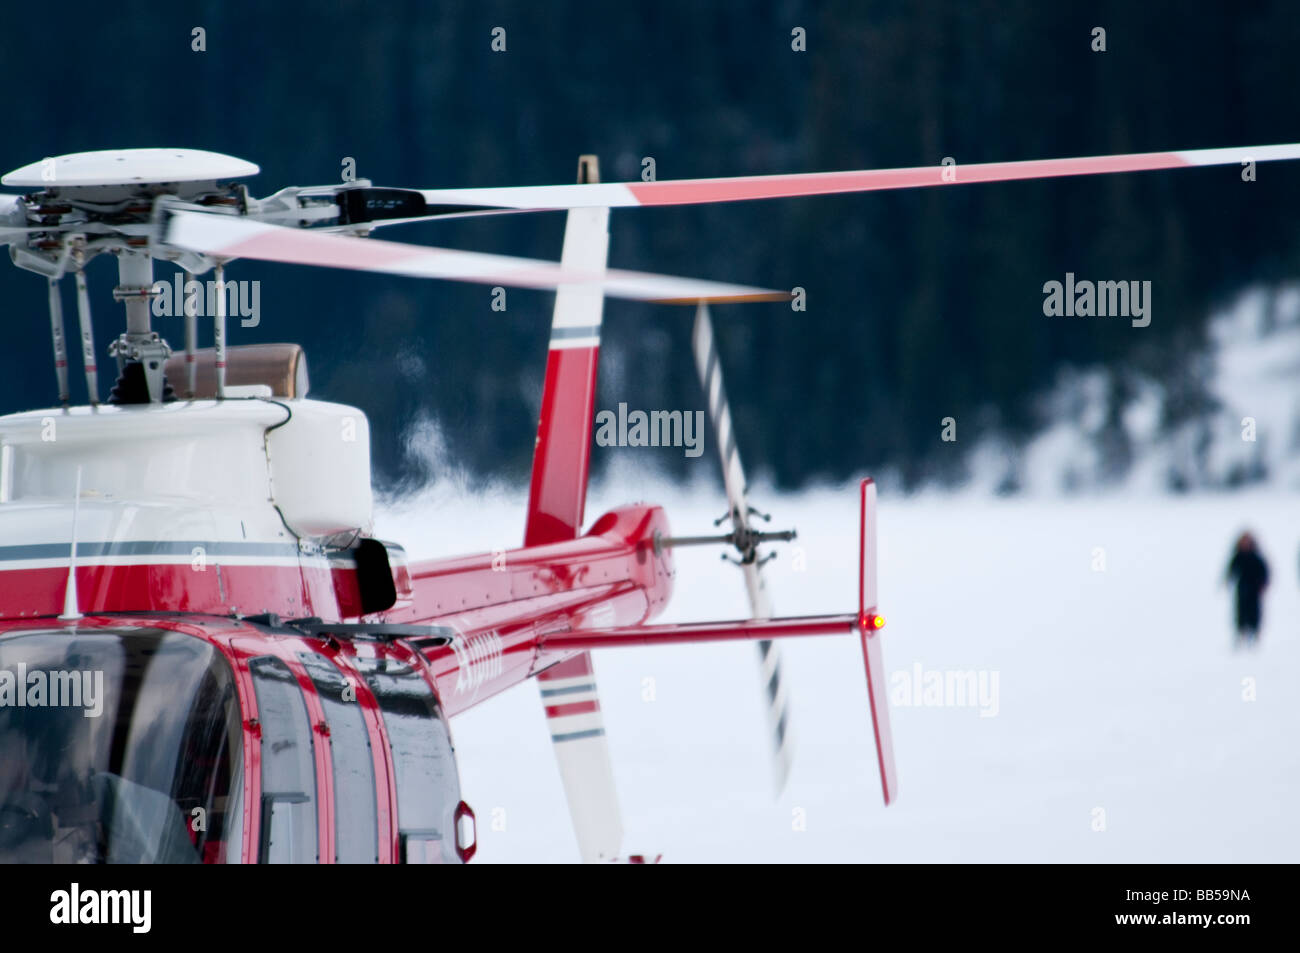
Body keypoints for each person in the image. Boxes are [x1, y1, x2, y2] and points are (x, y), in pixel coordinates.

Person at [1225, 532, 1269, 644]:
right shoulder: (1238, 556)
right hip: (1242, 588)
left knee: (1254, 611)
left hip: (1254, 588)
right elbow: (1231, 570)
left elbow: (1264, 571)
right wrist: (1228, 579)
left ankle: (1254, 633)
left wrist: (1263, 583)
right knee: (1241, 611)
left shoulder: (1256, 557)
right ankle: (1241, 633)